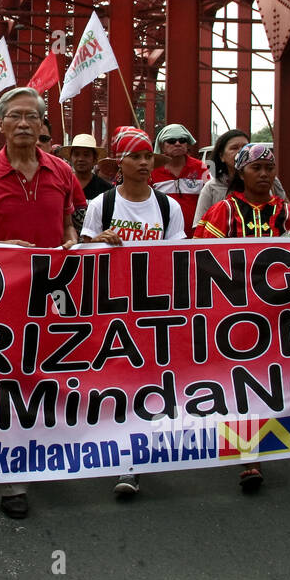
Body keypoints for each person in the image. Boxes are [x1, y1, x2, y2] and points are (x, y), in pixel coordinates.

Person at [0, 86, 82, 519]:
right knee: (7, 378)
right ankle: (11, 479)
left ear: (44, 123)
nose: (25, 124)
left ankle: (47, 453)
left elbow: (68, 224)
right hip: (5, 297)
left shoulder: (63, 172)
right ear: (2, 122)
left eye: (33, 116)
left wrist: (74, 244)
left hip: (55, 293)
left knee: (51, 371)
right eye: (15, 117)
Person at [193, 143, 290, 493]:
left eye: (269, 168)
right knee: (242, 378)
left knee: (270, 376)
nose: (263, 174)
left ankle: (256, 444)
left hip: (281, 313)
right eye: (256, 167)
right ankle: (249, 454)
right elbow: (199, 254)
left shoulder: (289, 213)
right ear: (240, 172)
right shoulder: (224, 211)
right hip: (235, 314)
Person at [80, 126, 184, 499]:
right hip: (111, 311)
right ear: (120, 163)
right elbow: (81, 256)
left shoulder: (167, 207)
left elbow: (179, 260)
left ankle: (133, 461)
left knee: (148, 384)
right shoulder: (101, 206)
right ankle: (117, 448)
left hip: (153, 312)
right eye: (136, 157)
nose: (145, 164)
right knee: (116, 383)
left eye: (148, 158)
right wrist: (98, 242)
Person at [194, 128, 286, 225]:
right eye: (234, 148)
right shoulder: (211, 187)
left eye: (245, 147)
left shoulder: (268, 181)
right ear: (221, 156)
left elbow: (287, 215)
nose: (241, 152)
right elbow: (199, 227)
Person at [150, 123, 210, 232]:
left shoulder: (201, 167)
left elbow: (212, 197)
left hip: (195, 235)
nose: (177, 143)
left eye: (182, 140)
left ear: (187, 145)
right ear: (162, 146)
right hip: (162, 234)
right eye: (171, 141)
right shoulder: (151, 170)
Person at [62, 133, 112, 230]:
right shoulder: (62, 185)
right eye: (76, 154)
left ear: (94, 159)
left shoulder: (107, 190)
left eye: (86, 155)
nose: (81, 159)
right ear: (71, 158)